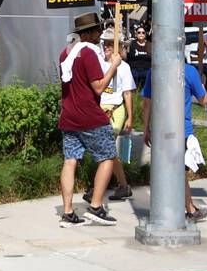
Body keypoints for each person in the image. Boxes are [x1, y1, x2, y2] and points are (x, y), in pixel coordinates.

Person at [58, 12, 122, 227]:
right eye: (98, 31)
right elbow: (98, 87)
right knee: (108, 157)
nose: (100, 34)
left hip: (69, 115)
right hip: (90, 116)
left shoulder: (65, 54)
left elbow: (67, 85)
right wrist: (114, 65)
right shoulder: (88, 54)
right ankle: (95, 206)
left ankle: (68, 212)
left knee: (70, 160)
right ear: (90, 33)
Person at [140, 54, 207, 221]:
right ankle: (189, 209)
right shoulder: (190, 71)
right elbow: (204, 100)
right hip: (182, 130)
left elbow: (147, 103)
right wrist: (202, 83)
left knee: (164, 169)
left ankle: (170, 207)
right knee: (179, 172)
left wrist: (146, 129)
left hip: (160, 129)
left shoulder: (154, 71)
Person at [86, 29, 135, 201]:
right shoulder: (98, 63)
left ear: (118, 46)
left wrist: (130, 117)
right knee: (108, 150)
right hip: (99, 109)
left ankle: (95, 189)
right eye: (105, 43)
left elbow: (127, 93)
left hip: (115, 109)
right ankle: (123, 185)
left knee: (104, 146)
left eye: (110, 43)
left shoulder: (124, 67)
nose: (107, 46)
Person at [126, 23, 152, 90]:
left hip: (146, 69)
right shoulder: (131, 44)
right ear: (136, 34)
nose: (141, 34)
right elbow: (126, 56)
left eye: (143, 33)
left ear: (145, 34)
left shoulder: (149, 45)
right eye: (139, 32)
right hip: (134, 70)